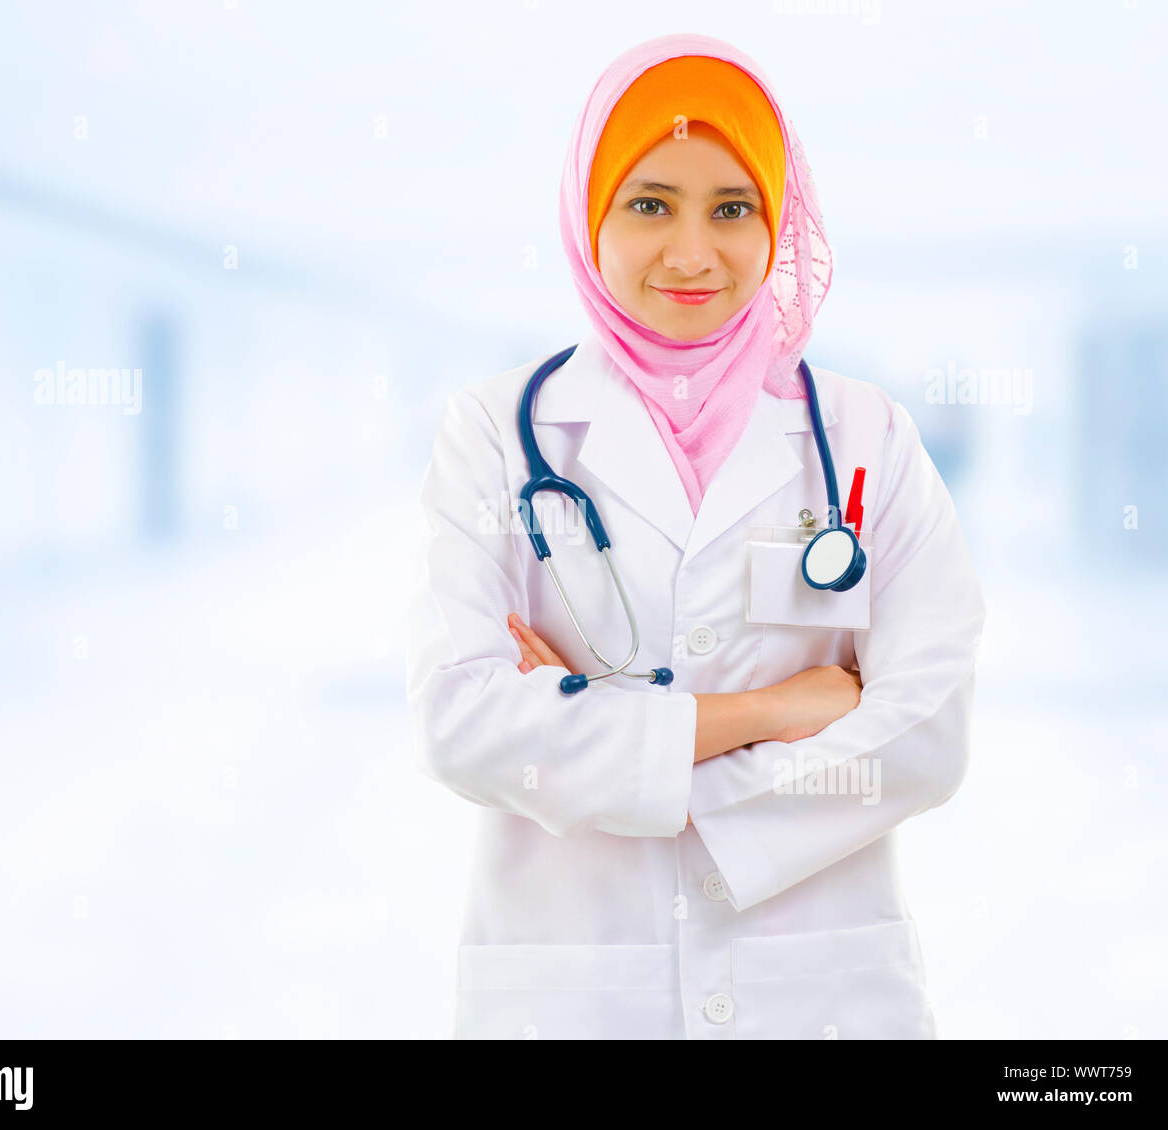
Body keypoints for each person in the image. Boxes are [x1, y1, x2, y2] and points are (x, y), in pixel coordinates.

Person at [406, 32, 985, 1040]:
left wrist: (618, 751)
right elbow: (466, 724)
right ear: (592, 217)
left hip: (823, 996)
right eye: (649, 203)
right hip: (577, 992)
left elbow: (924, 733)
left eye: (732, 207)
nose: (691, 251)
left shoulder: (865, 437)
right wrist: (780, 706)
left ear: (778, 218)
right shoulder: (498, 435)